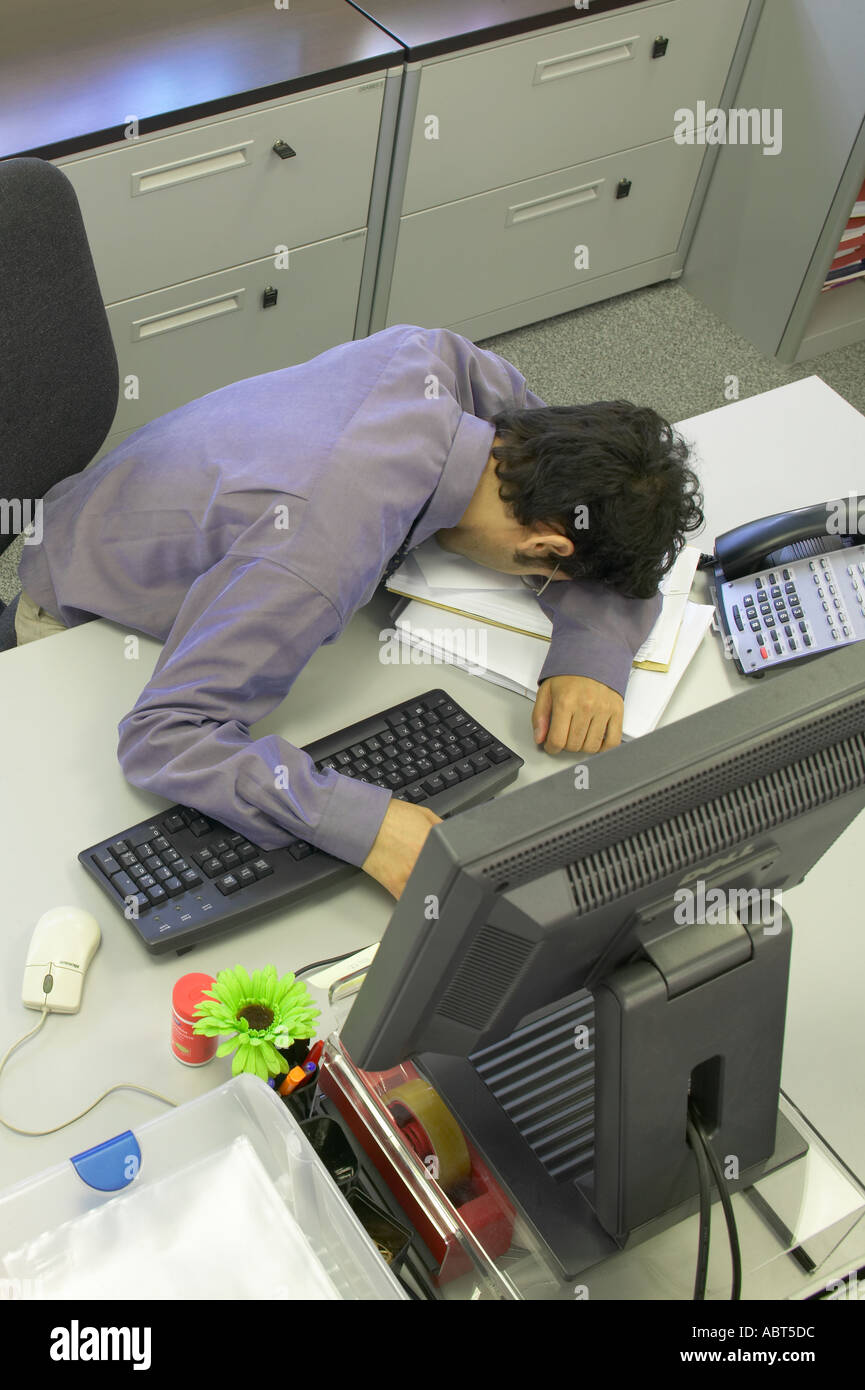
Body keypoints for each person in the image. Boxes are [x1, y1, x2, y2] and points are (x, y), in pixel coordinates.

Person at [16, 324, 702, 897]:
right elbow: (164, 736)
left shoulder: (440, 363)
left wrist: (593, 649)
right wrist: (366, 825)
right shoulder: (314, 554)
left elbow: (609, 539)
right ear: (544, 548)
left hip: (138, 502)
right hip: (76, 617)